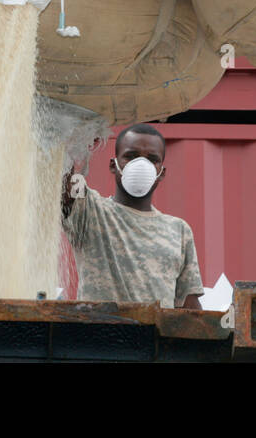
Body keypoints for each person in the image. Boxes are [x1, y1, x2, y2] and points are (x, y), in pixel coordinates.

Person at [61, 122, 204, 309]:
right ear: (113, 165)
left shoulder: (179, 230)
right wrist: (72, 133)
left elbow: (189, 307)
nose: (141, 165)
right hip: (99, 336)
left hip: (153, 338)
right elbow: (66, 180)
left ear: (161, 173)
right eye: (131, 156)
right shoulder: (91, 209)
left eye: (152, 159)